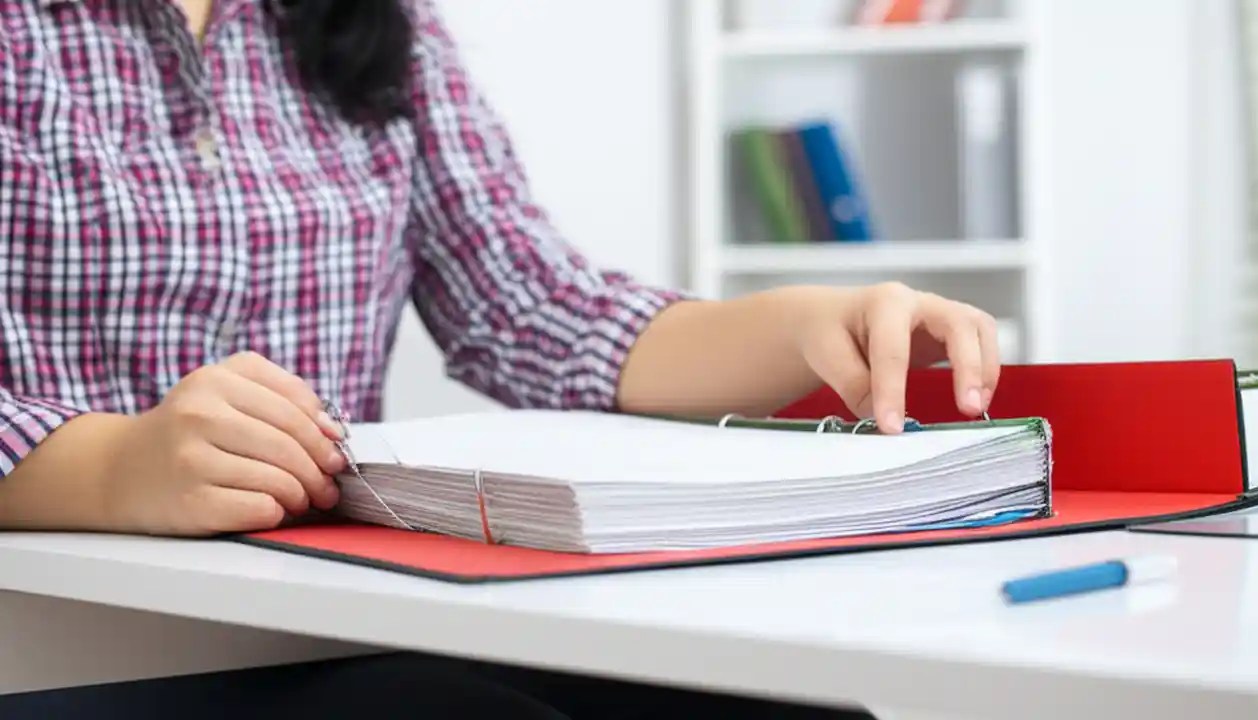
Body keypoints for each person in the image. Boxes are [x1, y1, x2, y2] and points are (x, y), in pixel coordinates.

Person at [0, 0, 1001, 716]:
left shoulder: (376, 29)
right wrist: (111, 467)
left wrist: (798, 328)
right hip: (57, 642)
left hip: (339, 615)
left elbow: (536, 310)